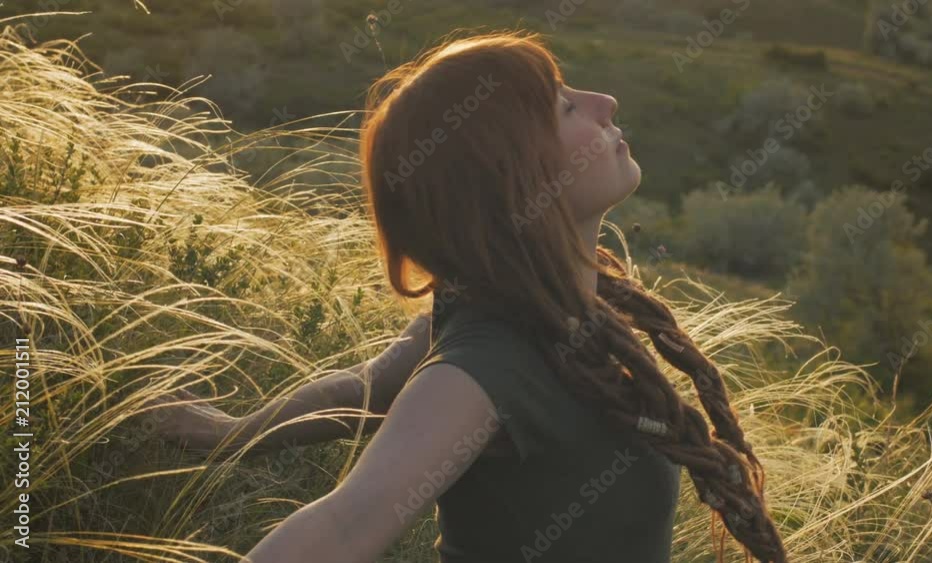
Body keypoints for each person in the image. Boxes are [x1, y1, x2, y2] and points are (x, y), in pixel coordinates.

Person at [152, 29, 788, 563]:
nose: (605, 101)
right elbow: (347, 524)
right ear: (512, 176)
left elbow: (364, 390)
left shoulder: (524, 303)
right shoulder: (488, 367)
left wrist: (226, 434)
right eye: (566, 108)